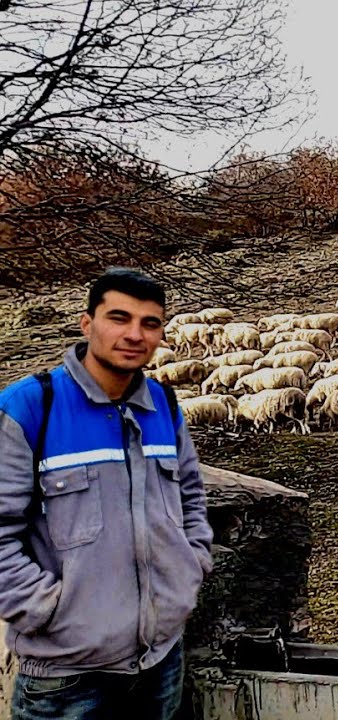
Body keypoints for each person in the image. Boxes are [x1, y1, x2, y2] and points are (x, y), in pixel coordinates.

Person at [0, 268, 213, 719]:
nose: (134, 334)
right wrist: (44, 609)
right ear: (87, 323)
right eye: (119, 317)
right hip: (67, 676)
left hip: (160, 661)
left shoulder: (164, 407)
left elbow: (191, 498)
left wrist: (190, 569)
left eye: (150, 323)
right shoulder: (31, 407)